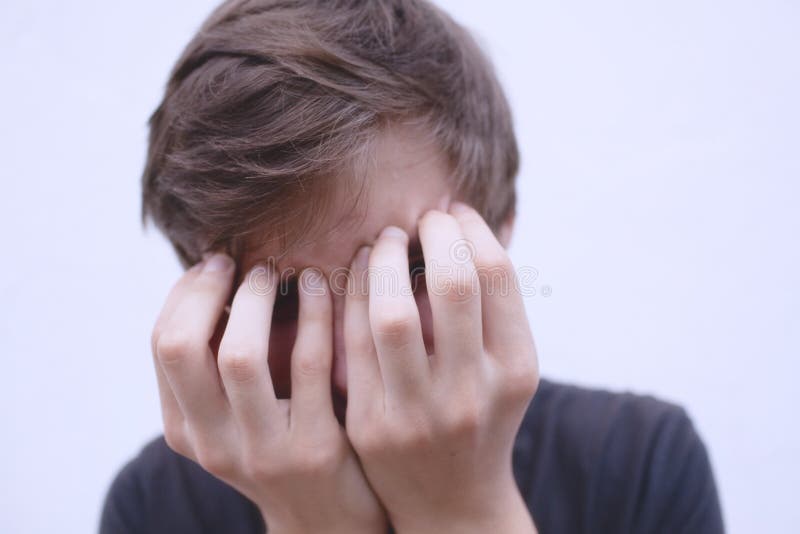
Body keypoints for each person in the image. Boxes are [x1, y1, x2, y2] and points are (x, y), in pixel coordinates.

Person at [100, 0, 725, 532]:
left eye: (410, 272)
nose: (343, 364)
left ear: (498, 235)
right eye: (284, 297)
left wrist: (464, 512)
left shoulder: (639, 462)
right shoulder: (155, 506)